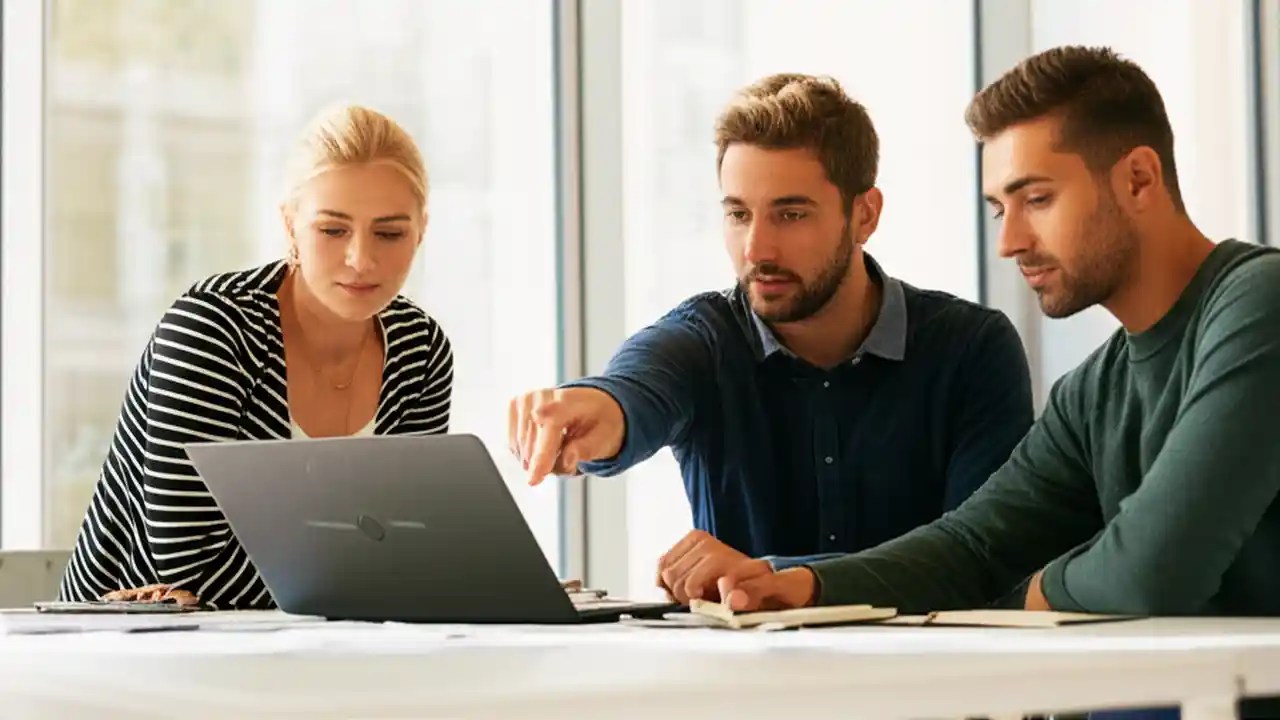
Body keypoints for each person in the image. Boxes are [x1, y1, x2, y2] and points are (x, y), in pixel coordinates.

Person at [712, 46, 1280, 630]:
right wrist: (807, 587)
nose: (1008, 241)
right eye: (997, 209)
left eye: (1037, 199)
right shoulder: (1092, 391)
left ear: (1138, 179)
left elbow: (1152, 571)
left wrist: (1030, 595)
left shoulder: (1262, 304)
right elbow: (974, 547)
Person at [509, 74, 1033, 604]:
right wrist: (599, 410)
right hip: (747, 683)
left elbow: (983, 557)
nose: (757, 248)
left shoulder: (971, 349)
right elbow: (639, 385)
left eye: (791, 214)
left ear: (865, 214)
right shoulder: (705, 339)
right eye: (738, 214)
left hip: (936, 678)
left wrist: (779, 576)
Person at [58, 105, 455, 609]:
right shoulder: (213, 328)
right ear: (291, 226)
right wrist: (367, 583)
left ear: (421, 229)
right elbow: (189, 563)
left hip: (319, 652)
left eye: (389, 233)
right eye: (333, 230)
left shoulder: (420, 350)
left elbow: (407, 547)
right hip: (129, 648)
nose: (361, 259)